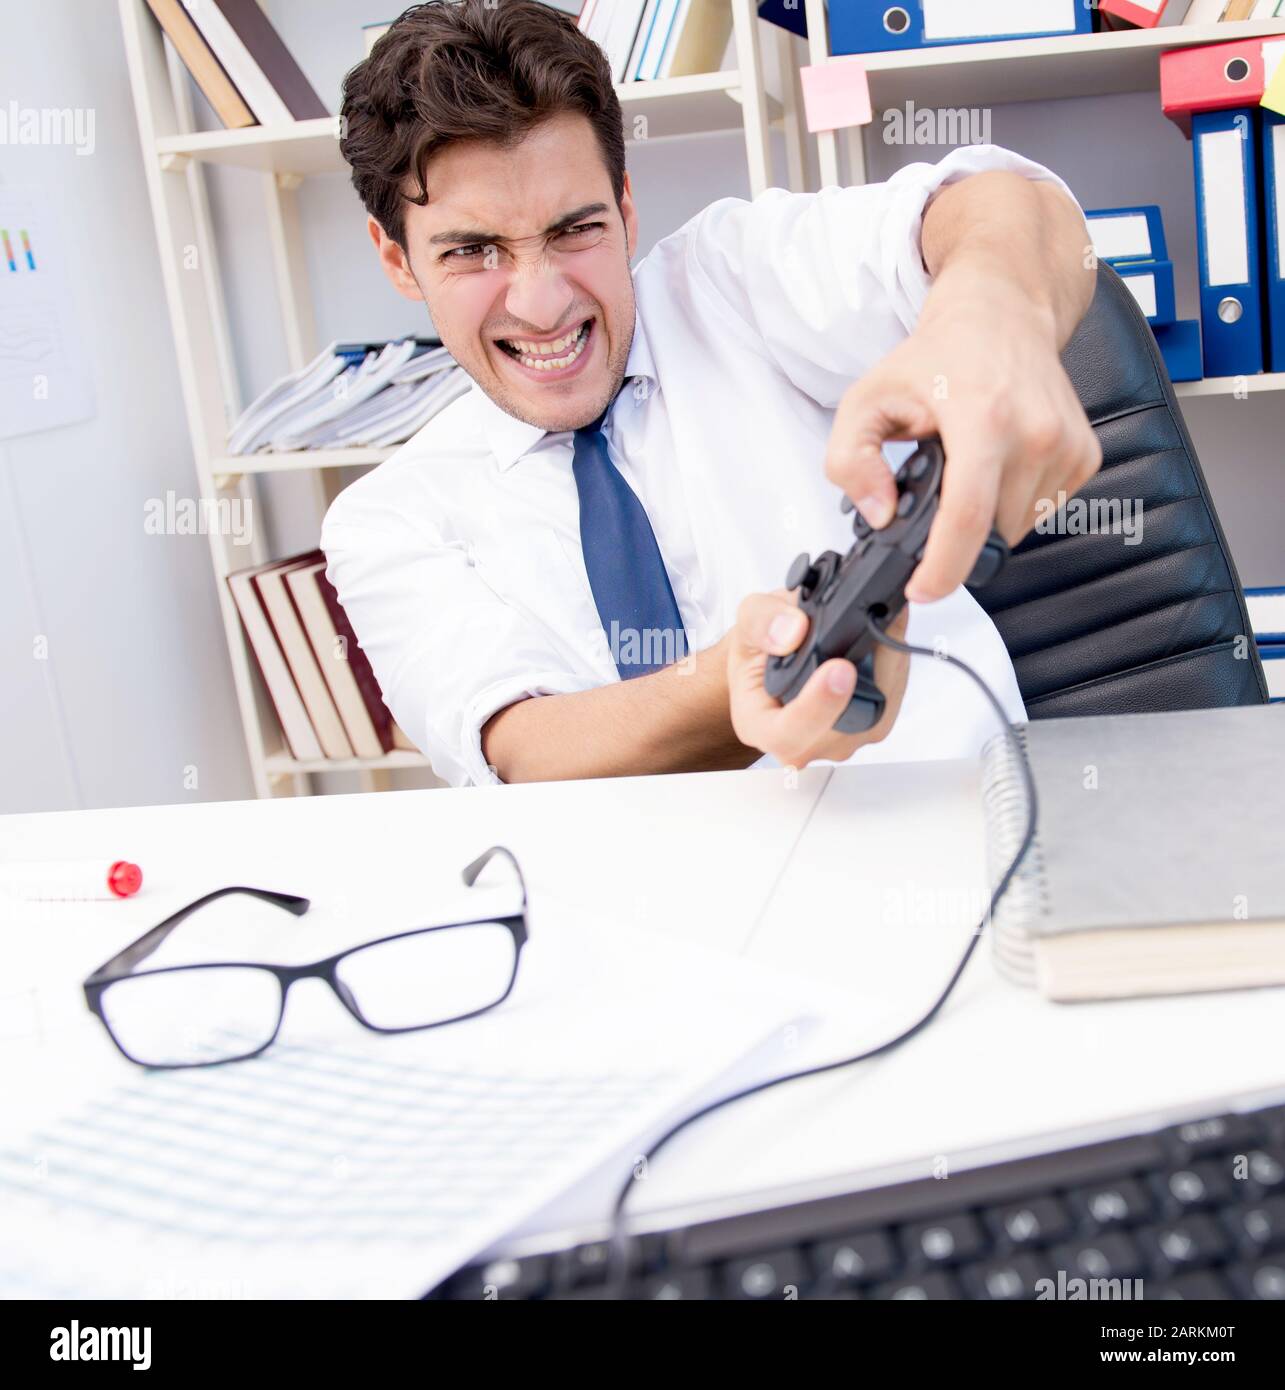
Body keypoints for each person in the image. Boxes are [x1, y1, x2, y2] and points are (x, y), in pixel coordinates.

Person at [322, 0, 1100, 787]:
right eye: (473, 250)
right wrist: (734, 681)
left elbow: (1013, 204)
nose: (542, 303)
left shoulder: (735, 281)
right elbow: (523, 747)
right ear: (397, 259)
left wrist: (988, 313)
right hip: (644, 903)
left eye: (574, 230)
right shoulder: (388, 518)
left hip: (959, 845)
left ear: (625, 209)